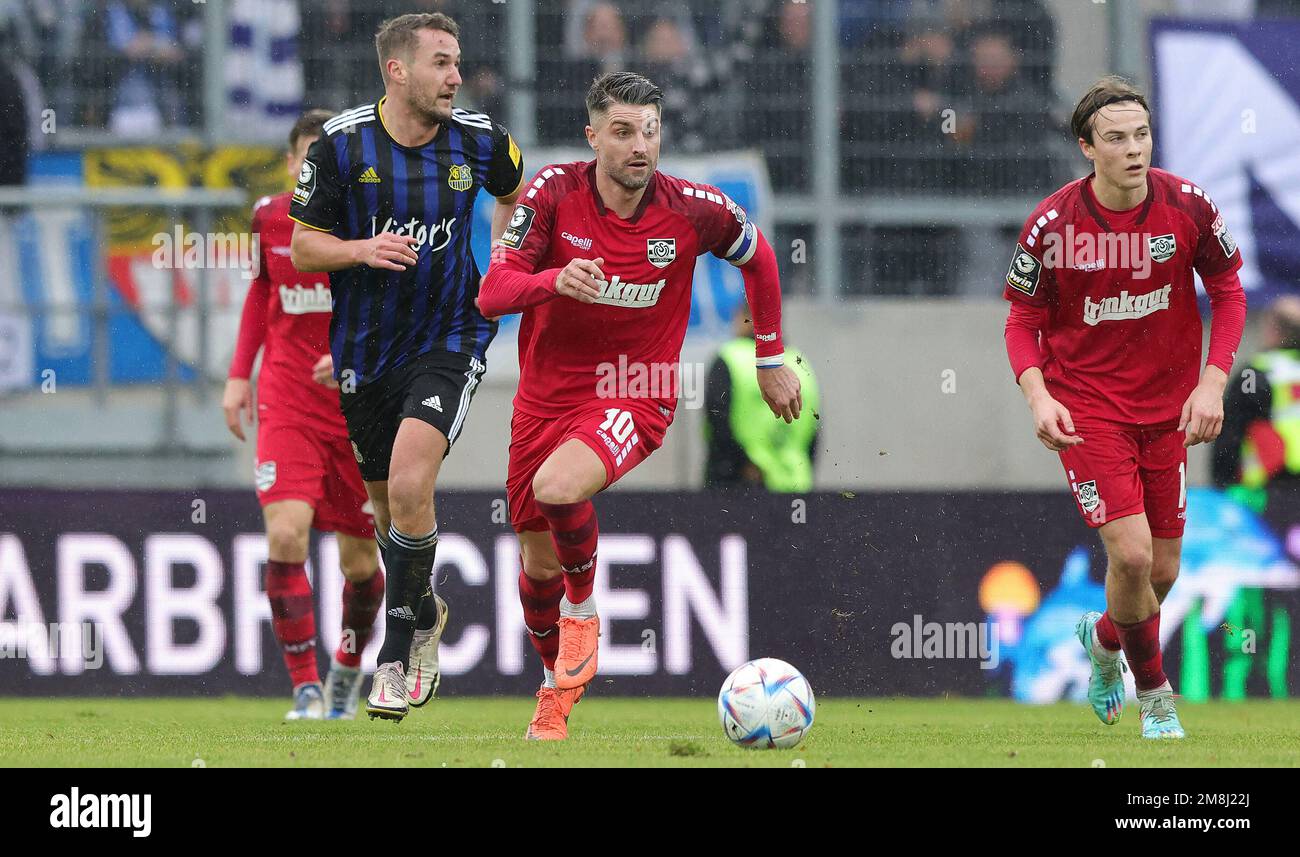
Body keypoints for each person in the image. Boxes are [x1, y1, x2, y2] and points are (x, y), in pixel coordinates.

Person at [477, 71, 803, 740]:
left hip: (638, 389)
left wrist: (770, 358)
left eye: (649, 131)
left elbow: (760, 257)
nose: (639, 146)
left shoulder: (689, 207)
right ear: (592, 135)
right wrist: (551, 279)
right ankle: (555, 687)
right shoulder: (552, 193)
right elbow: (493, 291)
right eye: (623, 132)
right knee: (536, 565)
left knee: (559, 486)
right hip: (546, 401)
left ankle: (586, 609)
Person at [288, 12, 525, 721]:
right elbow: (303, 247)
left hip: (452, 337)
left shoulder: (479, 139)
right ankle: (423, 610)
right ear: (397, 71)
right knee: (393, 513)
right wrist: (361, 249)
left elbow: (517, 191)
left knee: (415, 480)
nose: (456, 75)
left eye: (457, 62)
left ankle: (395, 658)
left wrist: (503, 257)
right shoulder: (339, 146)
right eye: (441, 63)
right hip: (364, 352)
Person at [1002, 77, 1247, 739]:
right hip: (1088, 411)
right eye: (1116, 138)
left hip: (1167, 411)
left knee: (1161, 571)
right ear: (1087, 147)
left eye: (1141, 134)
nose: (1133, 148)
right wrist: (1038, 394)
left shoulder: (1188, 206)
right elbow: (1021, 319)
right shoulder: (1054, 224)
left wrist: (1212, 382)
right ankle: (1156, 695)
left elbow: (1227, 288)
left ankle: (1104, 639)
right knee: (1133, 558)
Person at [223, 109, 384, 721]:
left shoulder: (369, 225)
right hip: (287, 399)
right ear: (292, 164)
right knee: (286, 533)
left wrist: (352, 357)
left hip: (357, 408)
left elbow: (396, 310)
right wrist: (240, 376)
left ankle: (347, 665)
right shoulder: (269, 218)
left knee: (359, 563)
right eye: (305, 157)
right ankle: (305, 690)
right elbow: (263, 290)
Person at [705, 300, 820, 490]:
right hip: (795, 485)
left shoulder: (731, 357)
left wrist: (741, 465)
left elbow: (717, 421)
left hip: (739, 484)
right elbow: (814, 431)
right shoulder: (800, 363)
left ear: (744, 318)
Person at [1213, 296, 1300, 501]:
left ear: (1274, 331)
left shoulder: (1254, 374)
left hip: (1267, 488)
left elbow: (1231, 432)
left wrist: (1221, 483)